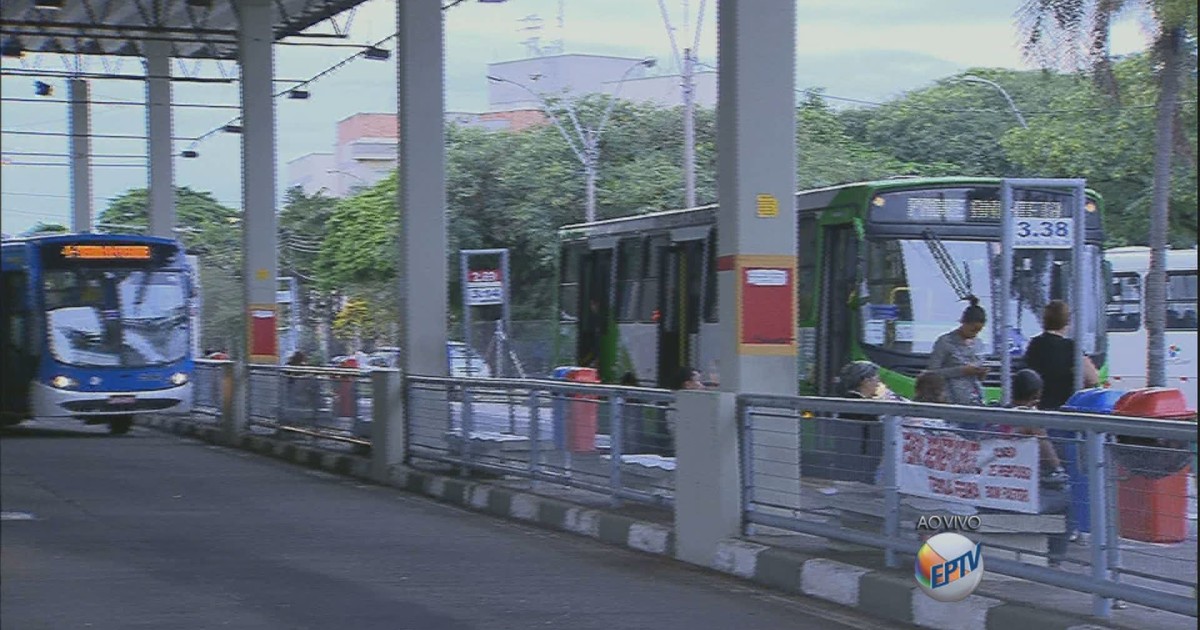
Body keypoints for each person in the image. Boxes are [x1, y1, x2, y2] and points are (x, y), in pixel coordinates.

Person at [1004, 369, 1071, 566]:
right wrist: (1059, 473)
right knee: (1066, 497)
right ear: (1036, 395)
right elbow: (1053, 462)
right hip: (1019, 495)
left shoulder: (995, 414)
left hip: (989, 491)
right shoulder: (1031, 422)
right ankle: (1055, 560)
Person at [1023, 300, 1100, 411]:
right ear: (1067, 322)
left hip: (1039, 409)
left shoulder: (1034, 345)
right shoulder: (1070, 347)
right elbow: (1092, 378)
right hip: (1064, 409)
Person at [927, 295, 990, 406]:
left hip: (974, 399)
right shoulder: (944, 342)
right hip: (949, 399)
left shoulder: (979, 344)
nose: (975, 333)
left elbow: (978, 378)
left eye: (979, 330)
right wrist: (961, 371)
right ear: (964, 322)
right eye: (973, 329)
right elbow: (931, 374)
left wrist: (981, 374)